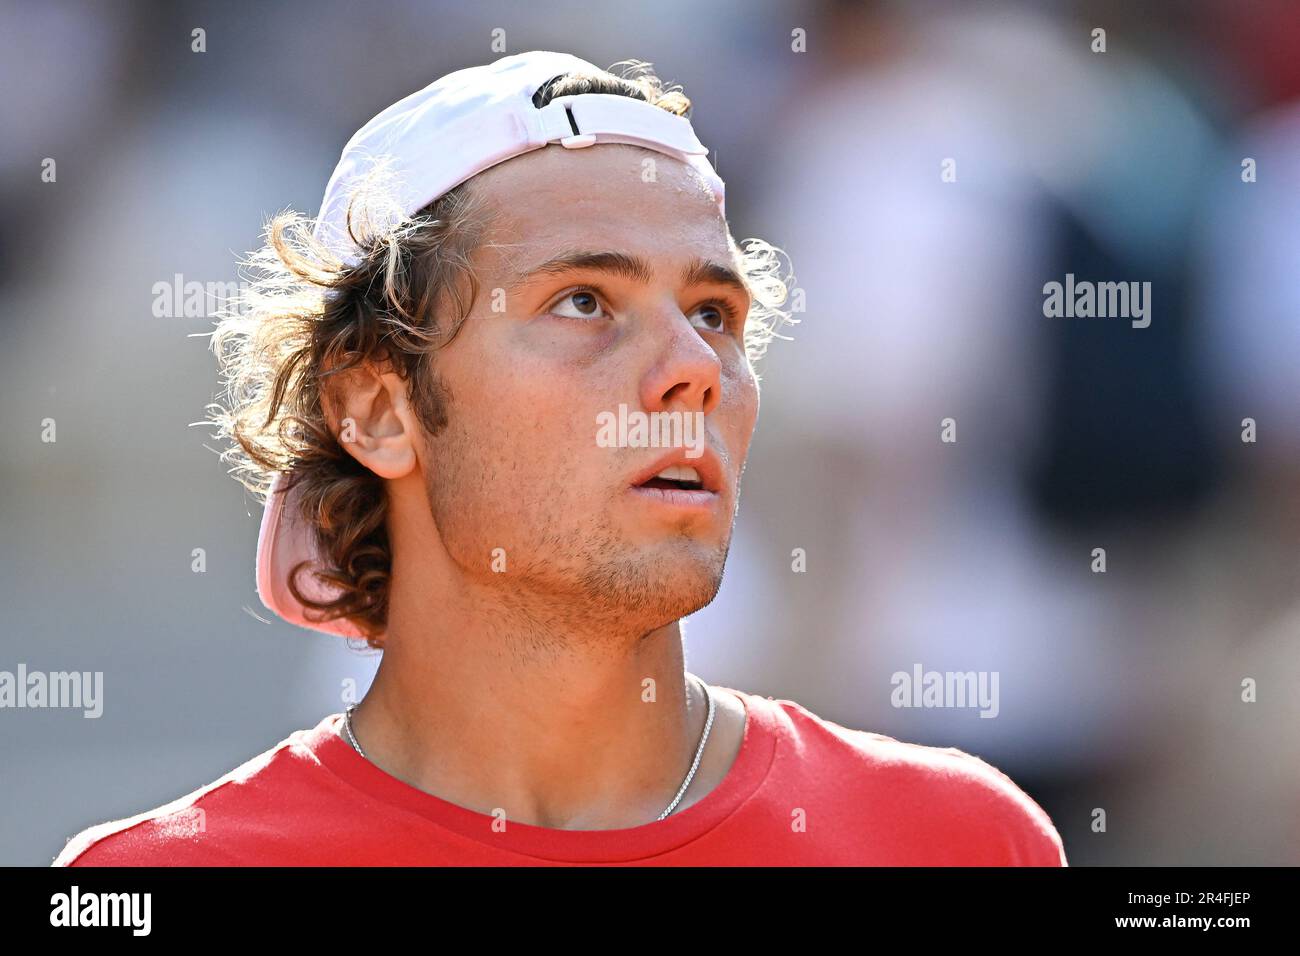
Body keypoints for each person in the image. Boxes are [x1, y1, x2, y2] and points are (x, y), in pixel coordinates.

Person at [52, 50, 1065, 866]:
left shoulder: (963, 840)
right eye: (582, 301)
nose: (692, 369)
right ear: (374, 406)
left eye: (714, 312)